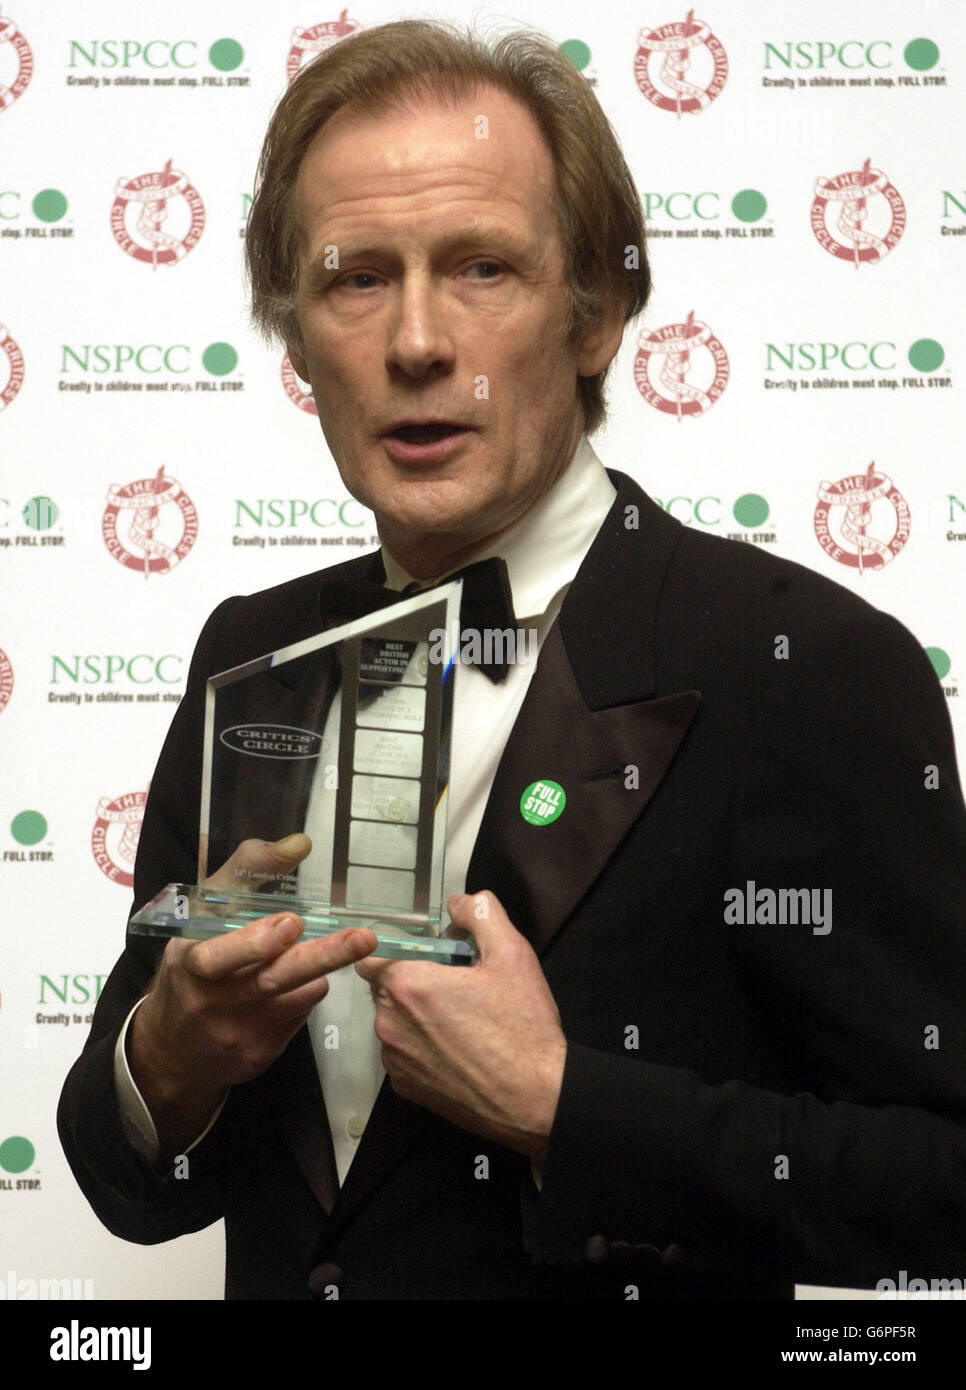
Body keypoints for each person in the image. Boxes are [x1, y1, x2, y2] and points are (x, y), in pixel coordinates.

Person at [59, 20, 966, 1301]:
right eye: (356, 277)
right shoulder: (249, 651)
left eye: (483, 268)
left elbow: (939, 1175)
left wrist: (560, 1104)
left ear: (596, 317)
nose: (417, 341)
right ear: (297, 343)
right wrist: (171, 1055)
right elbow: (124, 1175)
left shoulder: (804, 668)